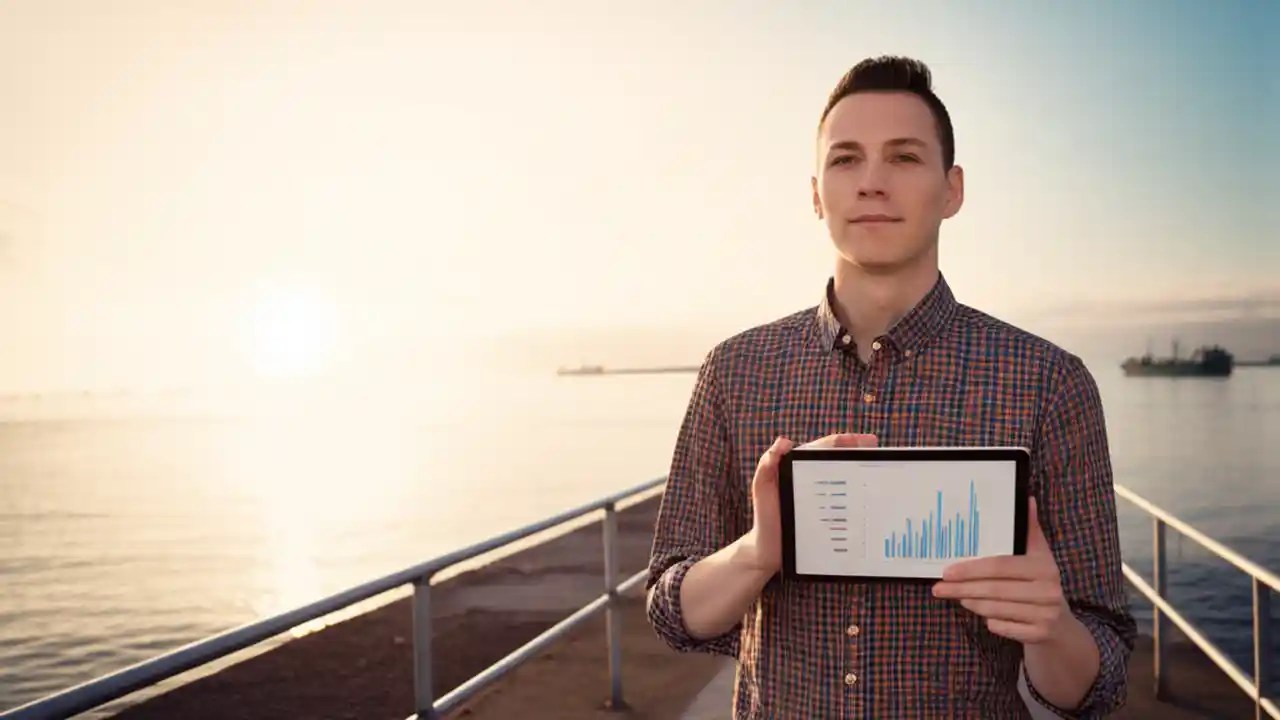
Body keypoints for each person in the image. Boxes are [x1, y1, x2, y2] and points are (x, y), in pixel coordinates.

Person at [644, 55, 1137, 719]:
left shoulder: (1049, 383)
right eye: (846, 159)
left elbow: (1096, 679)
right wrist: (757, 554)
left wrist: (1049, 626)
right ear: (816, 192)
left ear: (952, 189)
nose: (872, 183)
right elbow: (675, 613)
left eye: (904, 157)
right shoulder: (735, 371)